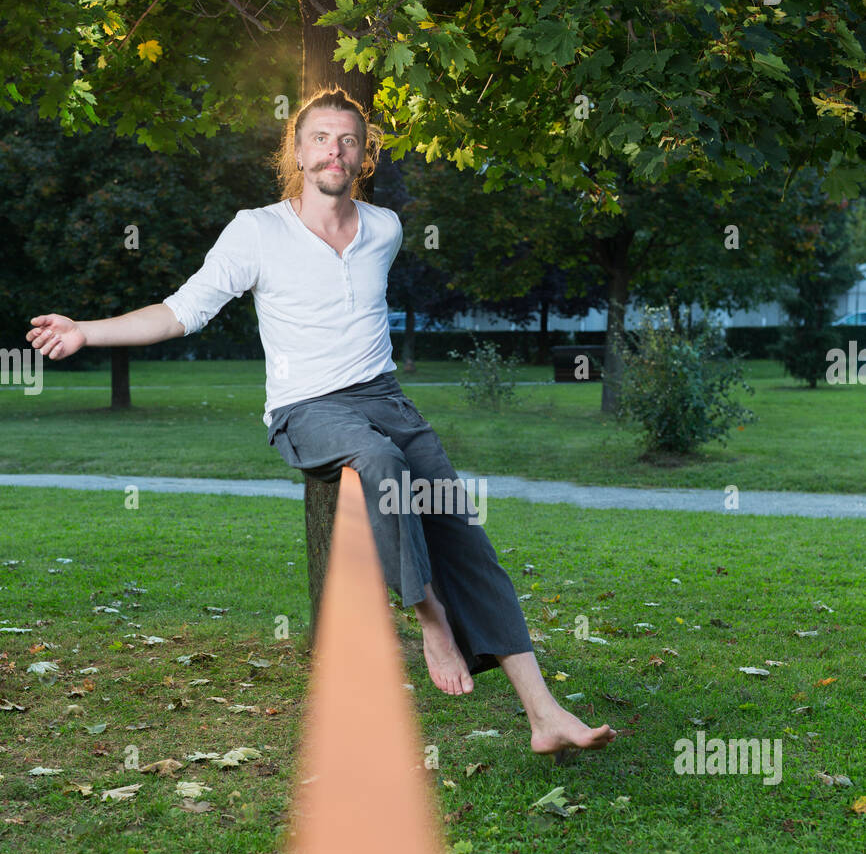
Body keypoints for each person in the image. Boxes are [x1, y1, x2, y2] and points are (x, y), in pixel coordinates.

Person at [26, 87, 616, 758]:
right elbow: (180, 312)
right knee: (380, 463)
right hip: (308, 410)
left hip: (389, 401)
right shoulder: (257, 231)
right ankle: (432, 622)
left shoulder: (385, 230)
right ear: (298, 152)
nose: (335, 150)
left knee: (464, 536)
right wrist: (86, 332)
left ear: (362, 157)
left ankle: (544, 715)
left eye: (349, 141)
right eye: (321, 139)